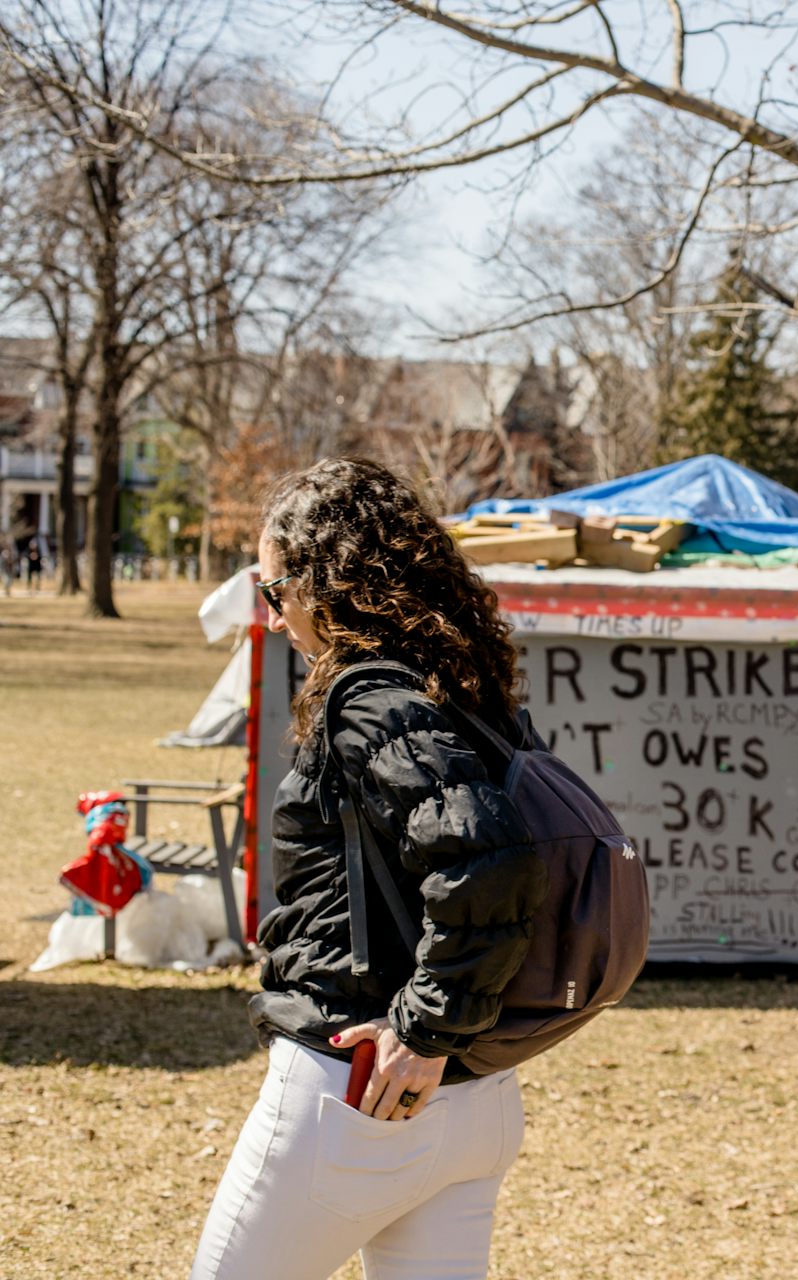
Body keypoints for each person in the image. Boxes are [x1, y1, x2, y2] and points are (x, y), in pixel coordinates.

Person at [192, 457, 548, 1280]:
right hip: (473, 1100)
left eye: (275, 591)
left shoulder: (370, 697)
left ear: (330, 582)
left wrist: (424, 1032)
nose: (275, 617)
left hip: (360, 1092)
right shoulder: (458, 688)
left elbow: (487, 860)